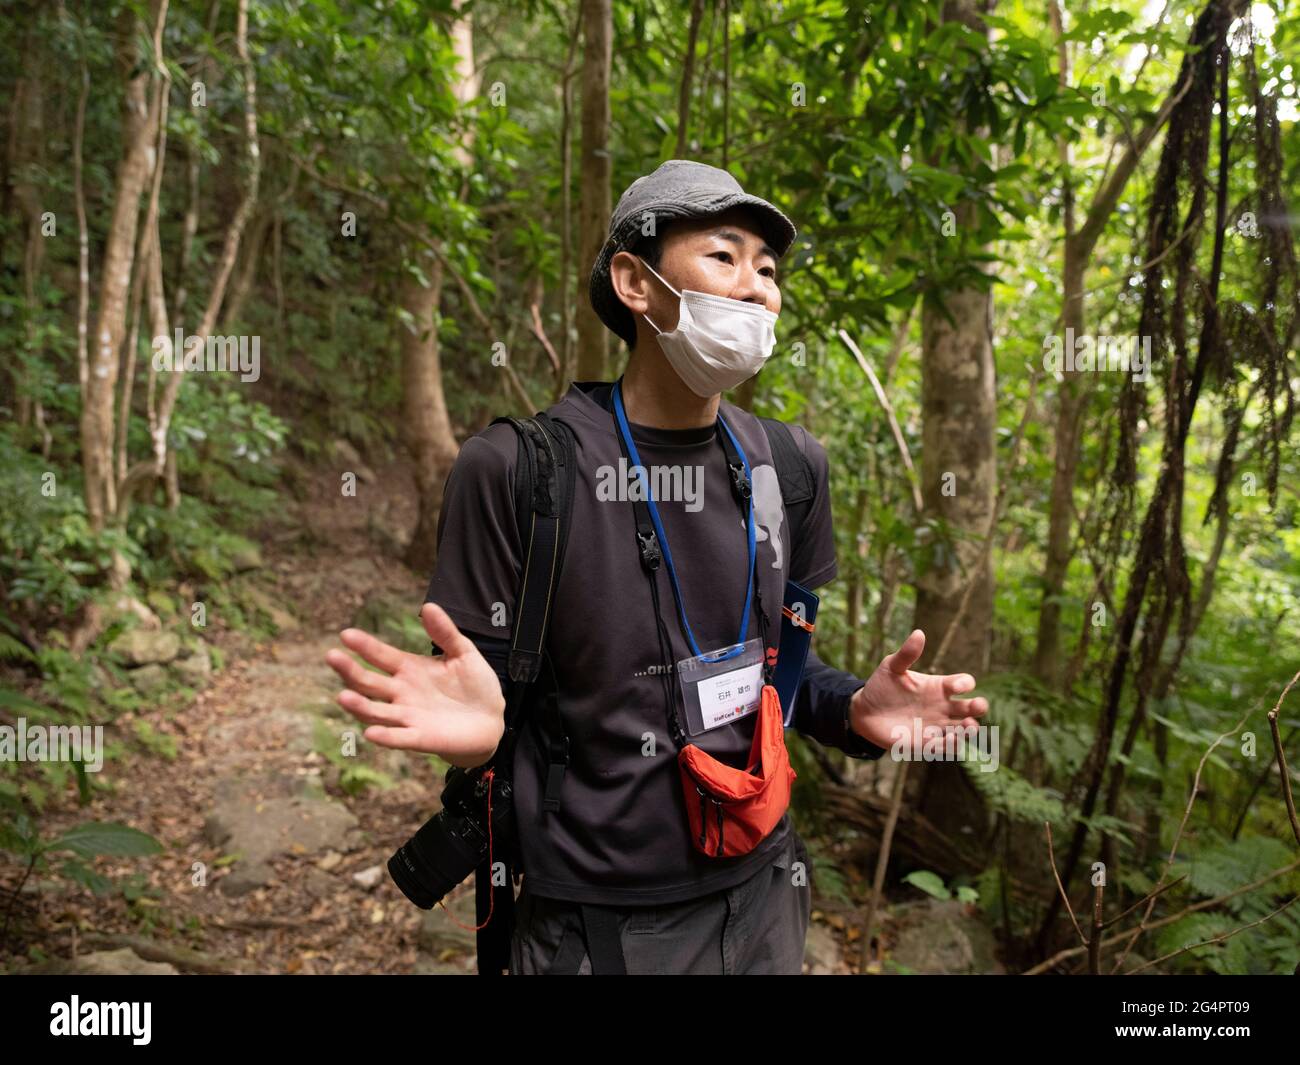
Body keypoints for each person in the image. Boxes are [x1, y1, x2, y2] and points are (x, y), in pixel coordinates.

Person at [325, 159, 989, 975]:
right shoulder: (520, 470)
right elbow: (479, 698)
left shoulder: (791, 466)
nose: (757, 287)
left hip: (768, 893)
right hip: (598, 922)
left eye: (770, 270)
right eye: (725, 255)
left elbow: (778, 678)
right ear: (635, 281)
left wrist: (851, 709)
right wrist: (479, 742)